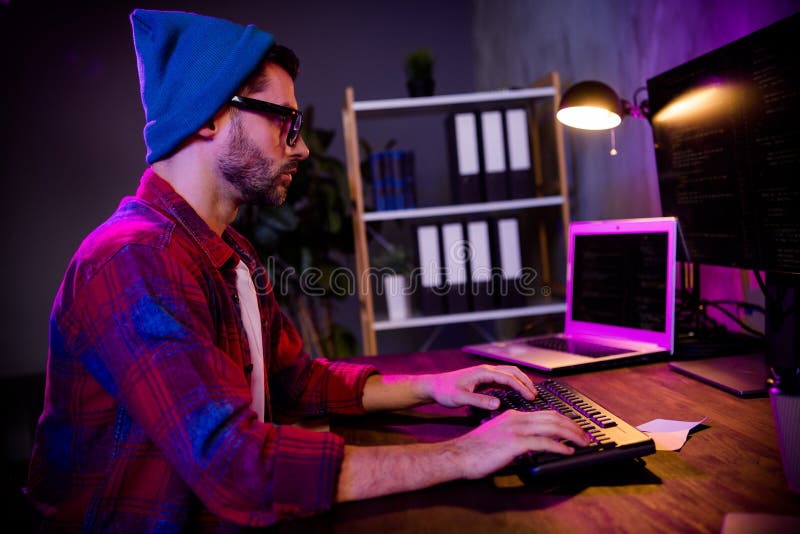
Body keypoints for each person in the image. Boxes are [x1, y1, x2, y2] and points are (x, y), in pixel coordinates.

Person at [25, 8, 589, 531]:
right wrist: (462, 454)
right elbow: (236, 466)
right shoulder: (133, 259)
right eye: (285, 123)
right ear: (211, 117)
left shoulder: (230, 252)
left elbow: (299, 382)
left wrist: (435, 387)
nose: (301, 149)